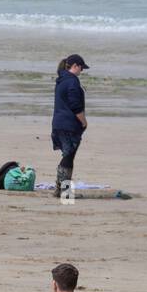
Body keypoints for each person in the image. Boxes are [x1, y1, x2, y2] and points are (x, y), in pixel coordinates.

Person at [52, 54, 89, 198]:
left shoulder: (61, 80)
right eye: (81, 68)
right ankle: (64, 192)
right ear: (75, 66)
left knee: (68, 156)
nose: (82, 71)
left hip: (59, 123)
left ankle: (61, 190)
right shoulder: (72, 81)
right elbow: (75, 105)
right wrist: (83, 121)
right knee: (68, 156)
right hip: (69, 124)